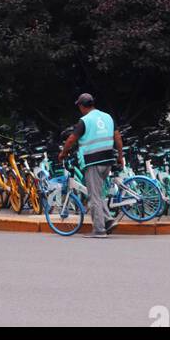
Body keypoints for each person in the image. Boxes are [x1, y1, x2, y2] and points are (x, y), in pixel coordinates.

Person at [58, 92, 124, 238]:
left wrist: (63, 153)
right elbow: (118, 138)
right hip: (108, 161)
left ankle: (99, 230)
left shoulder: (84, 121)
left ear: (81, 106)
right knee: (98, 194)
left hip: (93, 162)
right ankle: (108, 220)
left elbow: (71, 139)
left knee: (94, 197)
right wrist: (120, 156)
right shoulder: (108, 117)